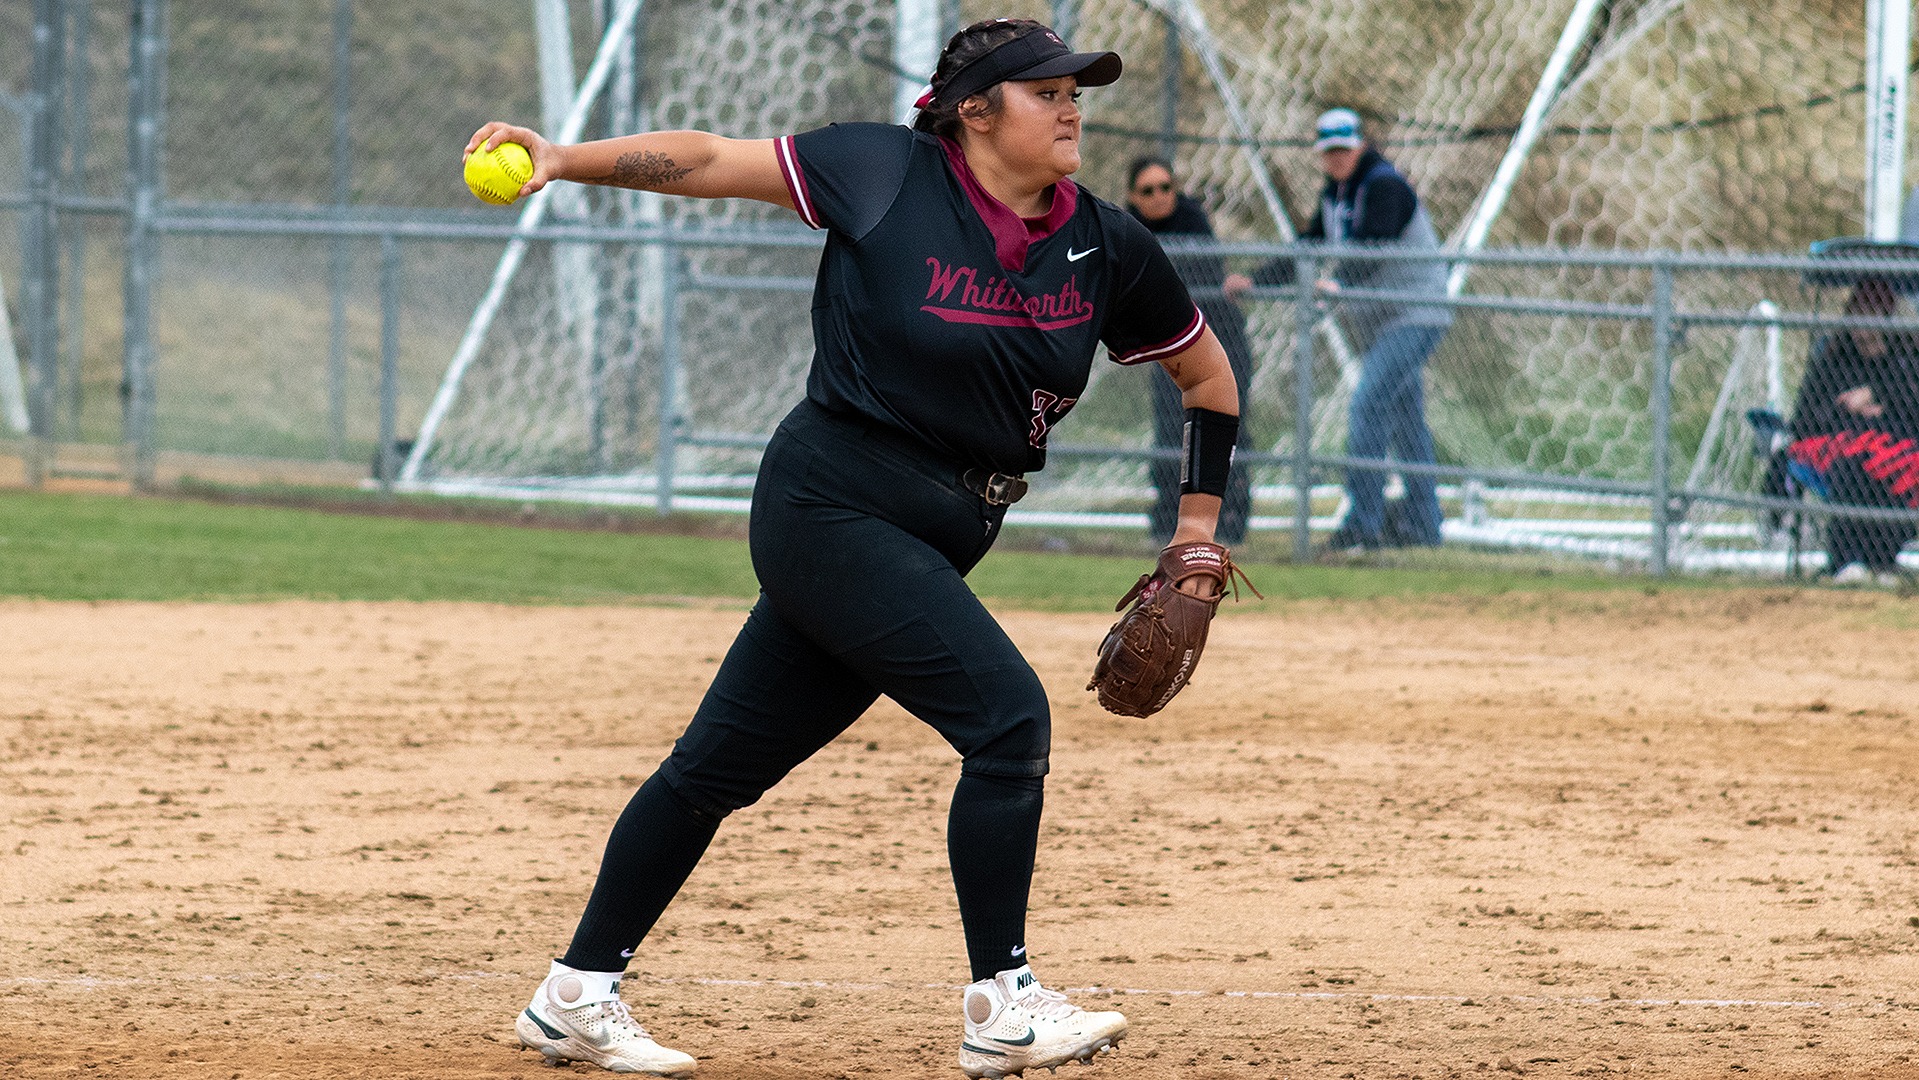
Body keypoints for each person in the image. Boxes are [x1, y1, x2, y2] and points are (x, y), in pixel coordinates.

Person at [464, 16, 1241, 1078]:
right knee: (1007, 719)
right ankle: (1000, 1003)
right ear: (975, 110)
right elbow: (706, 158)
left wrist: (1194, 535)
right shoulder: (882, 170)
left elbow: (1206, 377)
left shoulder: (1104, 243)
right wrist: (561, 158)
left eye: (1076, 91)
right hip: (830, 501)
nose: (1070, 106)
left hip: (948, 525)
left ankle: (573, 994)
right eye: (1045, 91)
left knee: (715, 768)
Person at [1229, 107, 1453, 550]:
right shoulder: (1336, 194)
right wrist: (1256, 280)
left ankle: (1362, 526)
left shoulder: (1384, 185)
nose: (1336, 158)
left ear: (1360, 146)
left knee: (1368, 405)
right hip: (1380, 322)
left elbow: (1375, 246)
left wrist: (1340, 281)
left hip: (1415, 315)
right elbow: (1308, 249)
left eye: (1343, 150)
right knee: (1408, 420)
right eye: (1328, 151)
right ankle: (1425, 527)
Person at [1124, 156, 1256, 546]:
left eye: (1167, 187)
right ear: (1134, 197)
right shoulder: (1129, 231)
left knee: (1222, 427)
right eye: (1148, 190)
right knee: (1170, 428)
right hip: (1169, 347)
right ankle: (1167, 516)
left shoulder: (1192, 222)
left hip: (1220, 344)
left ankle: (1230, 518)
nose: (1160, 196)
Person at [1785, 274, 1919, 585]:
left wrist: (1878, 397)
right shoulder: (1833, 357)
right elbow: (1805, 417)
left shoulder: (1906, 360)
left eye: (1873, 315)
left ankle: (1882, 561)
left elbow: (1911, 410)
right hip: (1840, 441)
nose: (1863, 327)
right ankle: (1847, 559)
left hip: (1891, 444)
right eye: (1858, 314)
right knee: (1855, 462)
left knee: (1892, 463)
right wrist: (1848, 407)